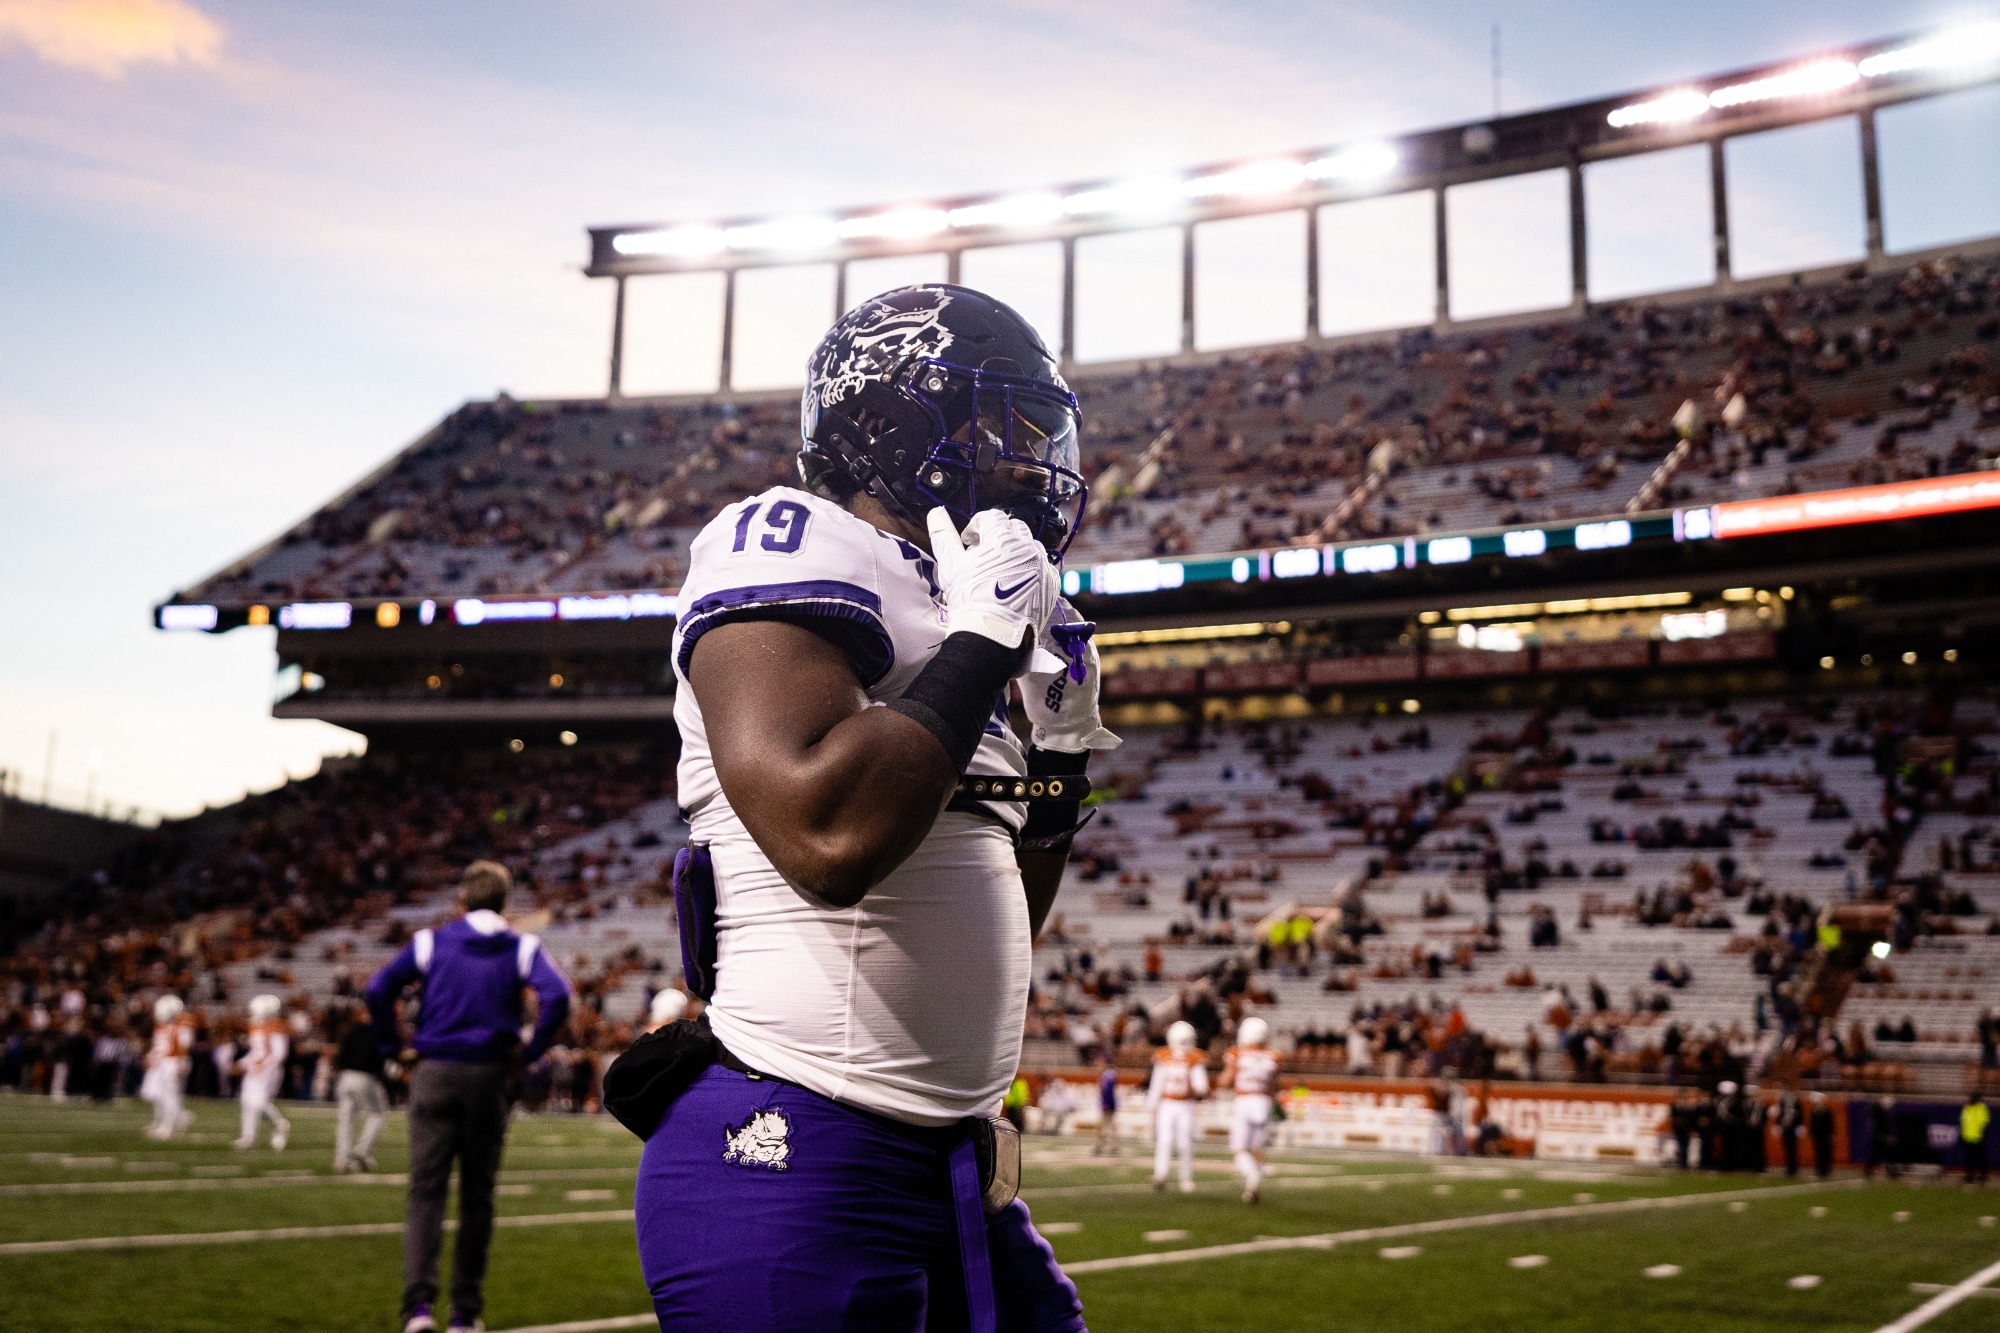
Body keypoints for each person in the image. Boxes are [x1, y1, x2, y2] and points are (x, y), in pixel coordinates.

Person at [621, 287, 1103, 1332]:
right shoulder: (785, 538)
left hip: (950, 1160)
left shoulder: (944, 589)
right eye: (994, 425)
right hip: (793, 1147)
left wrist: (1058, 757)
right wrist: (979, 644)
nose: (1025, 458)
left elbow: (1006, 910)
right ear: (885, 425)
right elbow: (828, 837)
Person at [367, 860, 573, 1333]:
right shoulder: (521, 945)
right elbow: (557, 996)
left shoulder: (429, 941)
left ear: (461, 902)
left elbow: (379, 989)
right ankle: (465, 1313)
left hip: (433, 1070)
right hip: (488, 1075)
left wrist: (392, 1047)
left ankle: (418, 1309)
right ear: (504, 904)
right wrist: (530, 1048)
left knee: (426, 1192)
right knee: (477, 1197)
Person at [1223, 1017, 1278, 1203]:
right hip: (1263, 1101)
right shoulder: (1272, 1055)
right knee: (1256, 1148)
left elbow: (1225, 1080)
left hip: (1244, 1100)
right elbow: (1274, 1085)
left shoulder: (1238, 1054)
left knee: (1239, 1149)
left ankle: (1252, 1176)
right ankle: (1252, 1186)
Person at [1149, 1021, 1208, 1194]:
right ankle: (1160, 1174)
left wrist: (1199, 1089)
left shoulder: (1194, 1057)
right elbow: (1157, 1082)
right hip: (1167, 1103)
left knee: (1184, 1142)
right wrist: (1153, 1104)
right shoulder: (1163, 1055)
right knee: (1164, 1140)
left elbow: (1201, 1085)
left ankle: (1185, 1177)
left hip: (1185, 1104)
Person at [333, 1000, 388, 1173]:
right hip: (364, 1077)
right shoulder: (376, 1032)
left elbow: (339, 1056)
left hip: (344, 1078)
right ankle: (363, 1149)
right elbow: (379, 1059)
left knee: (346, 1120)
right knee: (377, 1113)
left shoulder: (350, 1031)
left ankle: (342, 1159)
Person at [233, 994, 291, 1151]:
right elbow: (256, 1052)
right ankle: (248, 1136)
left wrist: (263, 1066)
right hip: (255, 1068)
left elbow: (279, 1054)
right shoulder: (255, 1026)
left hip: (270, 1070)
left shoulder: (276, 1027)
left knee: (258, 1103)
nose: (253, 1014)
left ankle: (278, 1125)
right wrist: (243, 1063)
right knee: (246, 1101)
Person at [139, 995, 193, 1140]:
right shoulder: (163, 1026)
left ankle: (167, 1126)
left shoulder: (180, 1025)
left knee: (169, 1095)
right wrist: (151, 1058)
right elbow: (159, 1046)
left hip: (172, 1062)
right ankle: (179, 1117)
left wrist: (180, 1063)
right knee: (157, 1093)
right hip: (162, 1062)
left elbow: (183, 1046)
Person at [1094, 1055, 1121, 1157]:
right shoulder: (1107, 1074)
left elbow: (1108, 1092)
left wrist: (1106, 1104)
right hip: (1108, 1104)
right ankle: (1109, 1147)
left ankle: (1104, 1147)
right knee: (1107, 1126)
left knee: (1105, 1126)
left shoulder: (1108, 1075)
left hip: (1108, 1104)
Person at [1775, 1089, 1804, 1177]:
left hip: (1792, 1128)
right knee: (1786, 1149)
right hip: (1786, 1128)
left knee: (1793, 1149)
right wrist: (1778, 1125)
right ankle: (1788, 1167)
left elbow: (1800, 1115)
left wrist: (1800, 1126)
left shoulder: (1797, 1104)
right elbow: (1779, 1114)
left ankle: (1793, 1168)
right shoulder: (1782, 1104)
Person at [1964, 1092, 1990, 1186]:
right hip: (1968, 1137)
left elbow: (1985, 1122)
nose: (1969, 1099)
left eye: (1971, 1098)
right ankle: (1969, 1176)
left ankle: (1983, 1176)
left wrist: (1983, 1133)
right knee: (1969, 1159)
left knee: (1980, 1158)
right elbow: (1964, 1121)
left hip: (1978, 1137)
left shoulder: (1982, 1108)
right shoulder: (1967, 1108)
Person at [1808, 1092, 1836, 1179]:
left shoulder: (1827, 1111)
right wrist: (1812, 1134)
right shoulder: (1814, 1111)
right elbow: (1812, 1124)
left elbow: (1831, 1124)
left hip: (1826, 1136)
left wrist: (1831, 1134)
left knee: (1826, 1153)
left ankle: (1826, 1170)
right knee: (1818, 1153)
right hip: (1817, 1136)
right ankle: (1819, 1169)